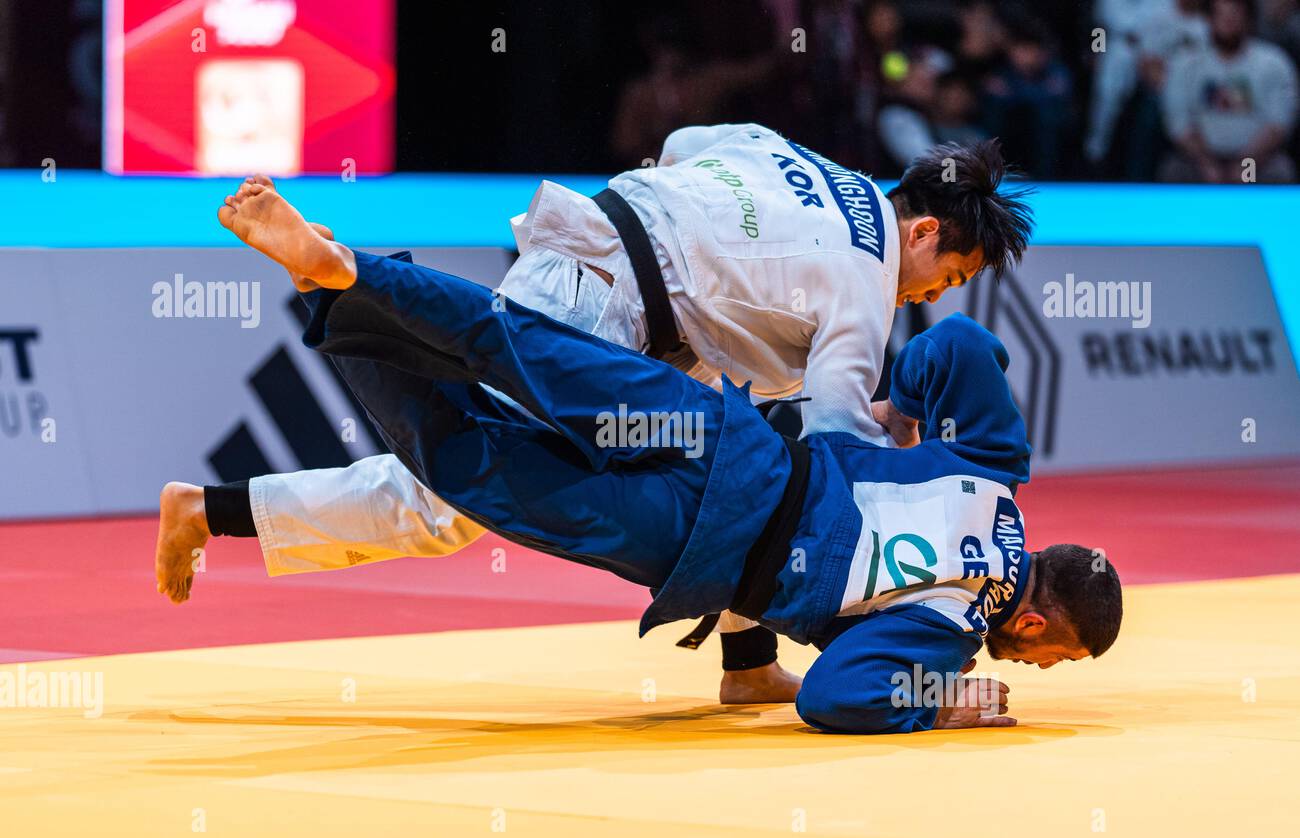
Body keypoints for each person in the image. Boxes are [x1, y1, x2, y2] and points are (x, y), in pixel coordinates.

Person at [157, 180, 1122, 734]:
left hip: (727, 435)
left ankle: (353, 272)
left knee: (517, 348)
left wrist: (906, 412)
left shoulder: (995, 474)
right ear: (1032, 623)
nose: (1034, 669)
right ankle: (331, 300)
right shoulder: (954, 631)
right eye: (1051, 660)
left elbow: (958, 351)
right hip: (702, 544)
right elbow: (837, 697)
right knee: (471, 476)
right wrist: (943, 696)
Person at [1161, 0, 1299, 182]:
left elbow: (1279, 123)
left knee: (1280, 172)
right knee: (1173, 171)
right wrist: (1206, 162)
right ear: (1209, 20)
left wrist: (1246, 162)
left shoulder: (1273, 62)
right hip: (1200, 159)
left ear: (1248, 20)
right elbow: (1179, 121)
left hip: (1256, 159)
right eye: (1221, 15)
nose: (1228, 22)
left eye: (1235, 15)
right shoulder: (1186, 63)